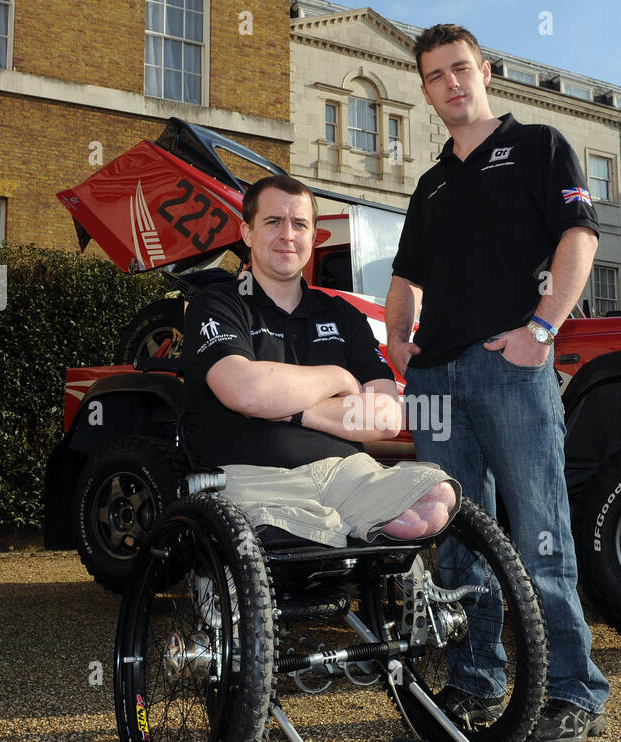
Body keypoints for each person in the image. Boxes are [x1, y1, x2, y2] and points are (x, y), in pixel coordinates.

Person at [385, 23, 611, 742]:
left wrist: (542, 330)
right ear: (424, 90)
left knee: (541, 535)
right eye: (435, 76)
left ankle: (573, 692)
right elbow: (404, 276)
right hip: (435, 378)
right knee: (455, 540)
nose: (451, 83)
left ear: (485, 72)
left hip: (509, 367)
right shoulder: (432, 184)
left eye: (460, 69)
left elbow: (581, 235)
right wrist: (399, 343)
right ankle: (476, 681)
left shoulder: (540, 146)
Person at [181, 174, 457, 549]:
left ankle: (353, 533)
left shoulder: (343, 315)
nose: (287, 236)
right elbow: (245, 391)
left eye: (299, 225)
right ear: (247, 233)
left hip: (347, 474)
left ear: (314, 237)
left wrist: (291, 411)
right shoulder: (217, 304)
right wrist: (338, 378)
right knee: (305, 533)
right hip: (255, 477)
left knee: (437, 498)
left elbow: (386, 418)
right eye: (273, 222)